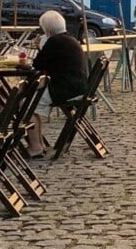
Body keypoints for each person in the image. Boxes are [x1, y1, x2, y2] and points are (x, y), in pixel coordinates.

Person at [18, 9, 88, 157]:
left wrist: (39, 47)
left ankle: (36, 147)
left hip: (64, 89)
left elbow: (37, 64)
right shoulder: (70, 39)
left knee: (25, 102)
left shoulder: (54, 41)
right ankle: (39, 143)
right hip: (76, 86)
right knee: (32, 100)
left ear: (47, 29)